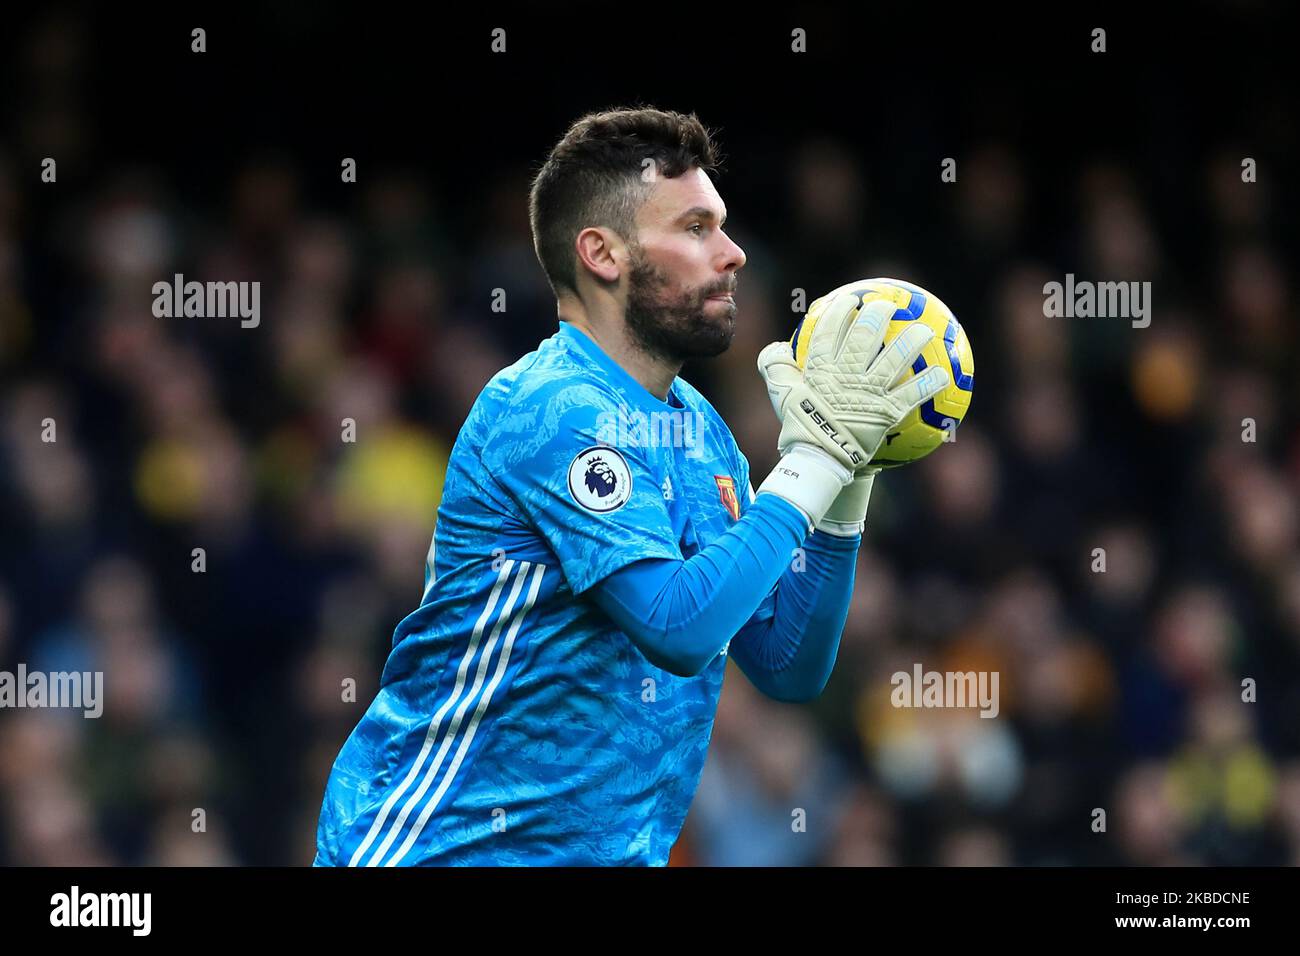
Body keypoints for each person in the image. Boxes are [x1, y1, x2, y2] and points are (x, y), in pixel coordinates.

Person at [314, 106, 948, 866]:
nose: (734, 253)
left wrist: (847, 482)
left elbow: (786, 664)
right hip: (439, 850)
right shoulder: (550, 407)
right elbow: (676, 626)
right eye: (695, 228)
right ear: (602, 254)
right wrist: (811, 464)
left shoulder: (698, 428)